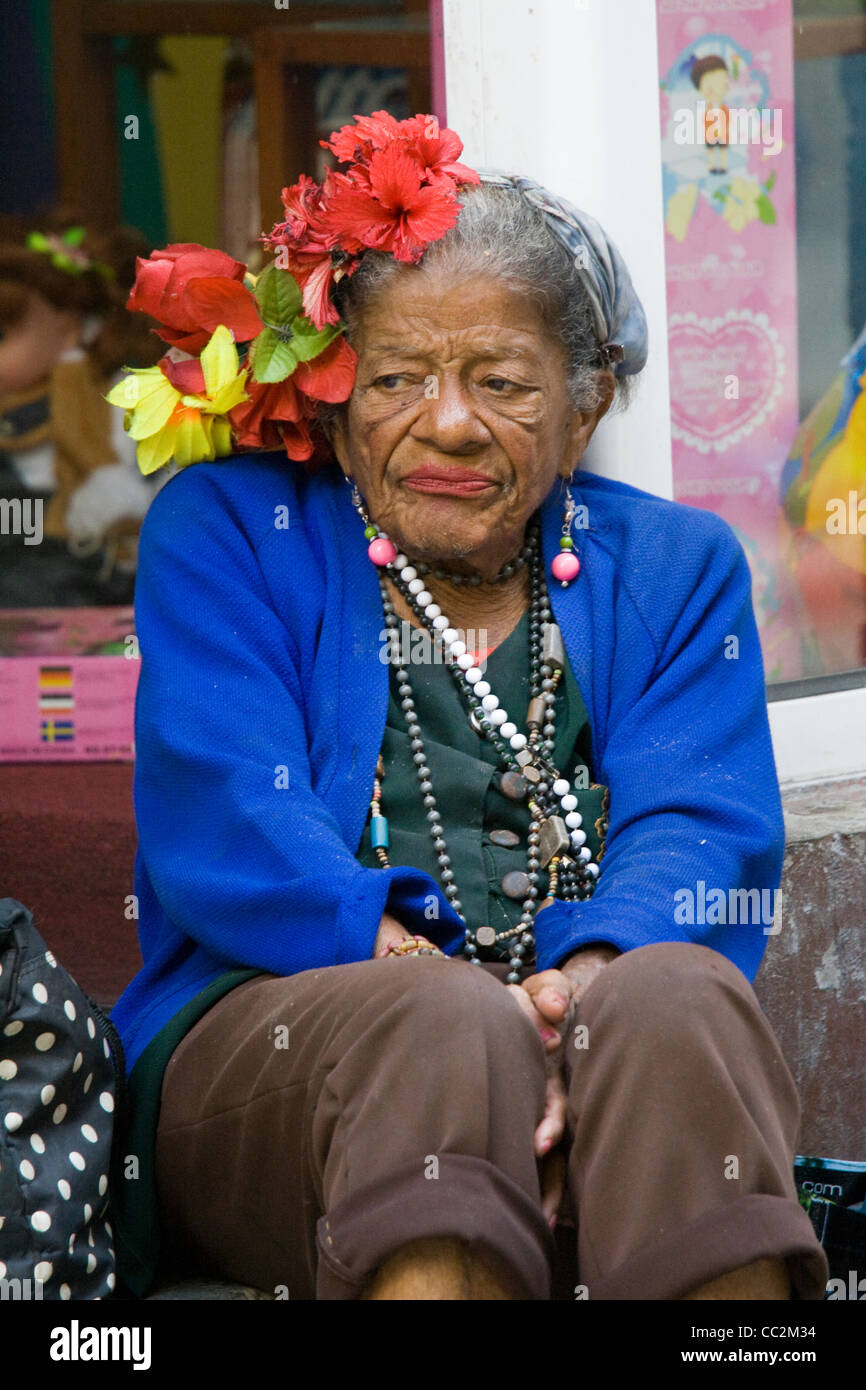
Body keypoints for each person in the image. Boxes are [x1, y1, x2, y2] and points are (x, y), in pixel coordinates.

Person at [109, 113, 828, 1301]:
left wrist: (574, 992)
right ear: (335, 396)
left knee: (675, 994)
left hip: (587, 1034)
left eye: (499, 382)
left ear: (583, 407)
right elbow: (227, 808)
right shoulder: (235, 532)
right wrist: (460, 1002)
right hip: (285, 1053)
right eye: (396, 379)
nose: (445, 420)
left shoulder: (668, 564)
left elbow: (703, 823)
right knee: (438, 1024)